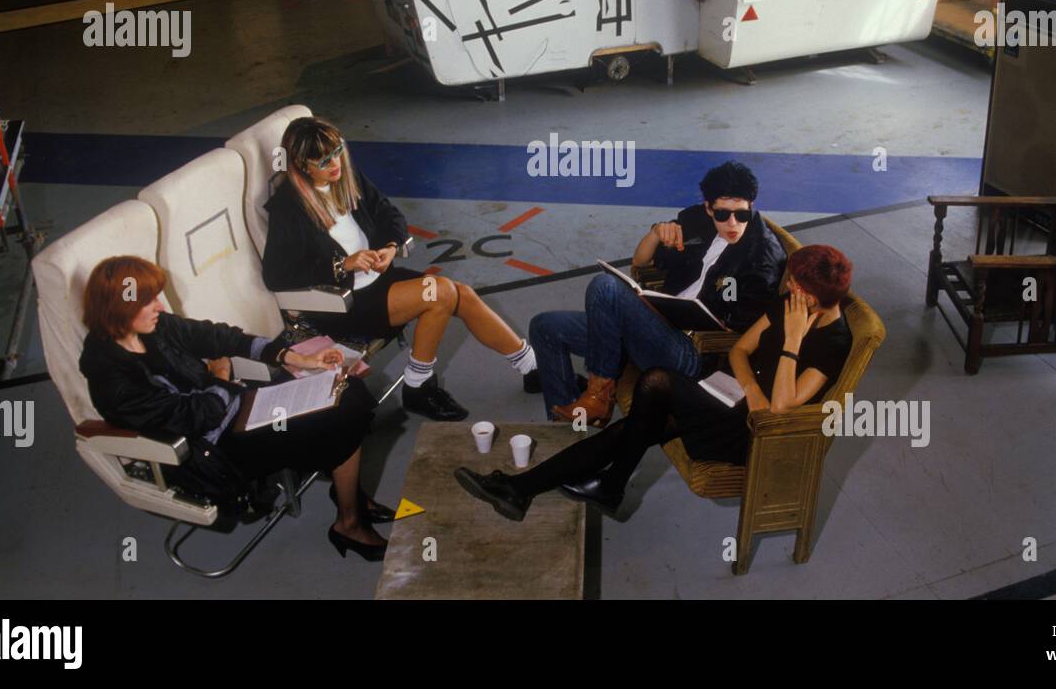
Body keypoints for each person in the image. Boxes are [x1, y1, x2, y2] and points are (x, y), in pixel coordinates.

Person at [456, 245, 855, 520]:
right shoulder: (788, 305)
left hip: (749, 430)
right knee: (633, 428)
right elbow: (738, 352)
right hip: (727, 392)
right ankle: (522, 488)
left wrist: (792, 341)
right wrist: (750, 387)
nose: (786, 289)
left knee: (656, 383)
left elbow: (782, 408)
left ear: (810, 297)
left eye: (794, 287)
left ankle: (604, 484)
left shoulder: (834, 343)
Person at [79, 256, 393, 561]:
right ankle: (348, 523)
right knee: (338, 416)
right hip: (215, 448)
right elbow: (192, 416)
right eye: (149, 302)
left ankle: (349, 496)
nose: (161, 306)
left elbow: (219, 337)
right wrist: (221, 377)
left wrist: (297, 358)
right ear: (120, 309)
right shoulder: (110, 376)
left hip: (238, 408)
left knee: (346, 390)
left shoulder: (155, 327)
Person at [260, 116, 536, 422]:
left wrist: (390, 247)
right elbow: (276, 273)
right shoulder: (288, 208)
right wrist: (342, 264)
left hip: (379, 282)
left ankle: (532, 368)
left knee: (463, 294)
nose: (336, 163)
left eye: (338, 150)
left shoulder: (345, 177)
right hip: (346, 305)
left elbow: (388, 213)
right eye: (324, 160)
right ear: (302, 164)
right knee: (440, 292)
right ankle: (417, 386)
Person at [527, 161, 785, 426]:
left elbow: (742, 331)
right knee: (545, 327)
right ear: (709, 208)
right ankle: (567, 430)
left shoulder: (761, 259)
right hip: (654, 326)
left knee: (605, 287)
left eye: (741, 215)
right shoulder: (697, 220)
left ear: (751, 206)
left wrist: (692, 313)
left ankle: (598, 397)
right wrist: (655, 233)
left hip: (690, 351)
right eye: (722, 215)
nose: (733, 223)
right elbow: (640, 263)